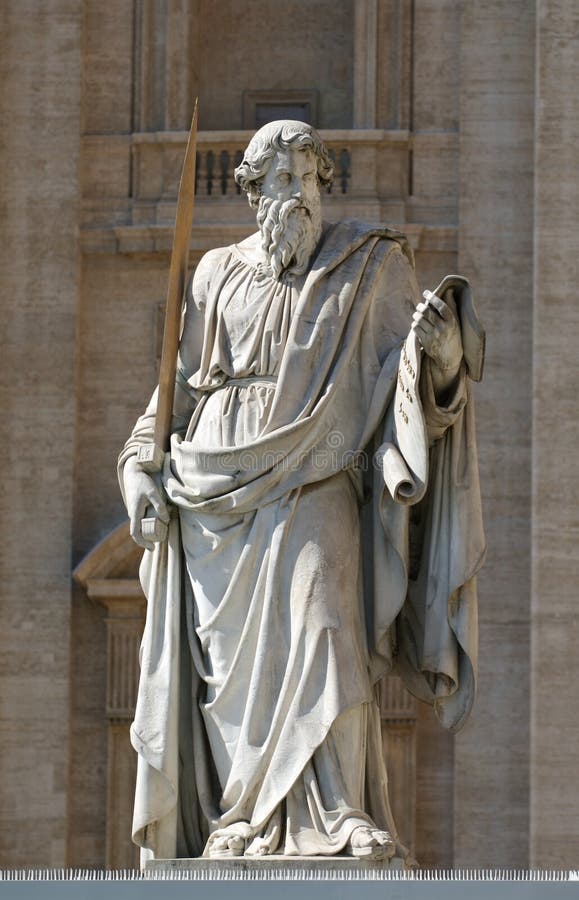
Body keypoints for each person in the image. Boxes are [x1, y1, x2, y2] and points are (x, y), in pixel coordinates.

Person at [119, 120, 485, 863]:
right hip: (218, 497)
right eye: (279, 180)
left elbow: (406, 385)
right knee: (235, 675)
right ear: (252, 191)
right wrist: (135, 467)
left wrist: (444, 362)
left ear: (325, 184)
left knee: (325, 625)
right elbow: (178, 393)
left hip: (320, 473)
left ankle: (338, 810)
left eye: (307, 179)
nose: (295, 195)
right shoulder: (215, 273)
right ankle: (241, 817)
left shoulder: (368, 268)